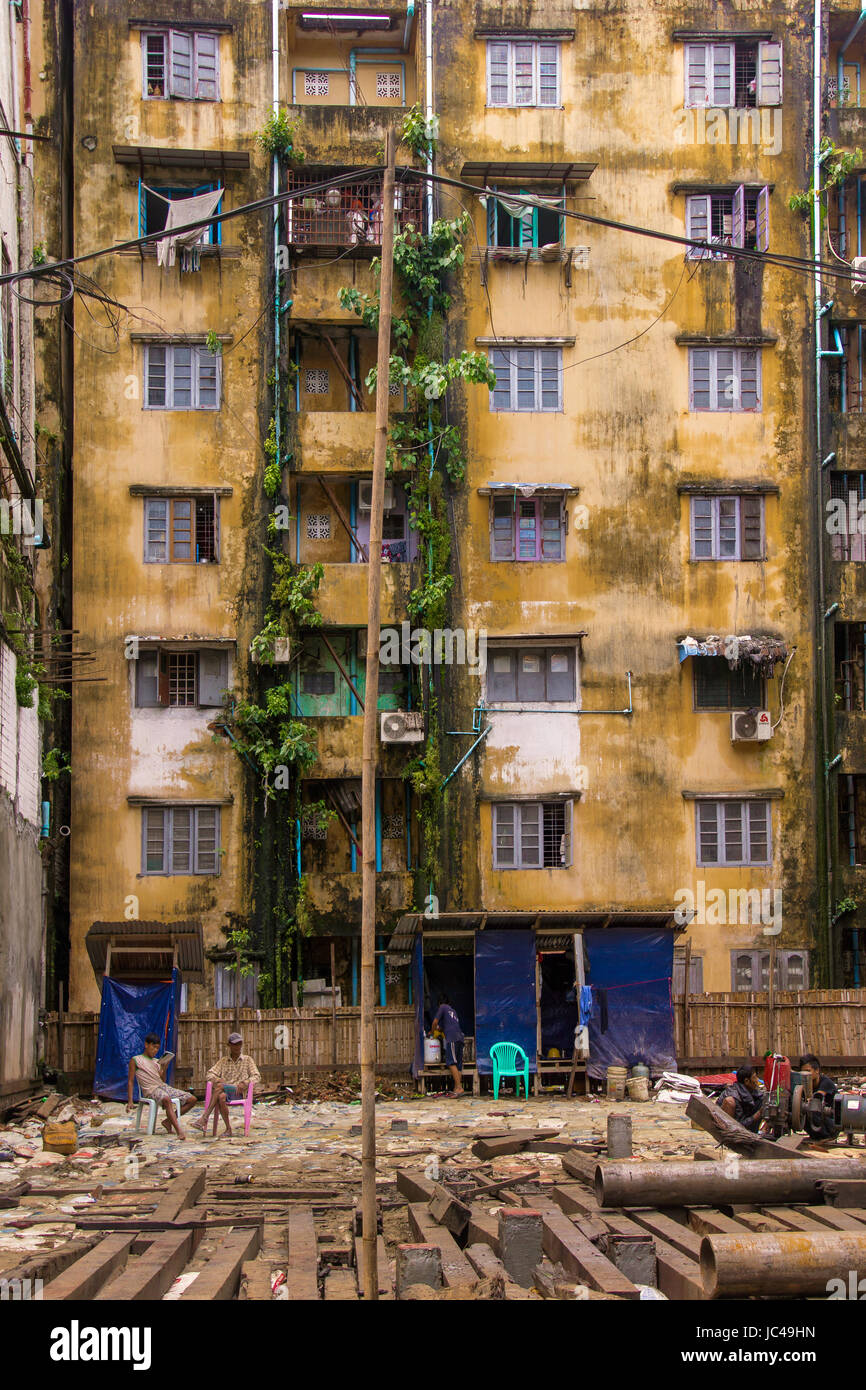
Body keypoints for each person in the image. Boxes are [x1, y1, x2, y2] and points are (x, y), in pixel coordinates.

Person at [127, 1033, 195, 1139]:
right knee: (166, 1099)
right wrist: (130, 1101)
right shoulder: (136, 1060)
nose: (155, 1050)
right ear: (146, 1045)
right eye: (153, 1047)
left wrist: (164, 1067)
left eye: (157, 1048)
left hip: (162, 1087)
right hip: (150, 1090)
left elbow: (162, 1080)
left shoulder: (156, 1062)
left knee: (192, 1099)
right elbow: (130, 1081)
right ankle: (179, 1131)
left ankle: (168, 1121)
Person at [192, 1031, 261, 1136]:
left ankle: (205, 1117)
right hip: (225, 1090)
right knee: (221, 1096)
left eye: (239, 1044)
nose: (237, 1046)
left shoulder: (247, 1060)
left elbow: (257, 1076)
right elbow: (209, 1074)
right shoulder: (223, 1061)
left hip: (239, 1092)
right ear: (229, 1045)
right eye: (234, 1044)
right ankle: (228, 1129)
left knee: (219, 1088)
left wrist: (246, 1082)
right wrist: (217, 1079)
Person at [798, 1053, 838, 1140]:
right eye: (802, 1072)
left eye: (808, 1071)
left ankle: (826, 1137)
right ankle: (815, 1137)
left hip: (831, 1124)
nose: (805, 1075)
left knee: (812, 1108)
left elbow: (817, 1097)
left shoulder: (826, 1083)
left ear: (817, 1070)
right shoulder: (803, 1085)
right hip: (818, 1123)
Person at [432, 995, 465, 1098]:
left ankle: (459, 1087)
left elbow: (435, 1022)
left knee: (451, 1062)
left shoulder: (442, 1007)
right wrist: (439, 1029)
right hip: (460, 1038)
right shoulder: (453, 1011)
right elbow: (443, 1027)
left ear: (440, 1003)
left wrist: (432, 1032)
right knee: (458, 1065)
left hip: (452, 1038)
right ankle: (456, 1089)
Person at [717, 1063, 764, 1132]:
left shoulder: (754, 1092)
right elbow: (739, 1125)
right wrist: (756, 1116)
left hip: (747, 1127)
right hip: (732, 1128)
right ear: (747, 1081)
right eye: (754, 1077)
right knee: (729, 1101)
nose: (757, 1080)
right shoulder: (734, 1096)